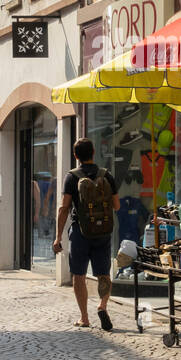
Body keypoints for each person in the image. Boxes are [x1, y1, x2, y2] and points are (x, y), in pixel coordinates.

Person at [54, 137, 120, 330]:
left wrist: (58, 236)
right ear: (93, 152)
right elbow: (116, 205)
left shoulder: (72, 177)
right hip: (103, 232)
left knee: (79, 275)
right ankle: (102, 305)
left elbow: (64, 208)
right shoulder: (106, 175)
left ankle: (84, 317)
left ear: (76, 156)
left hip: (80, 233)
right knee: (103, 274)